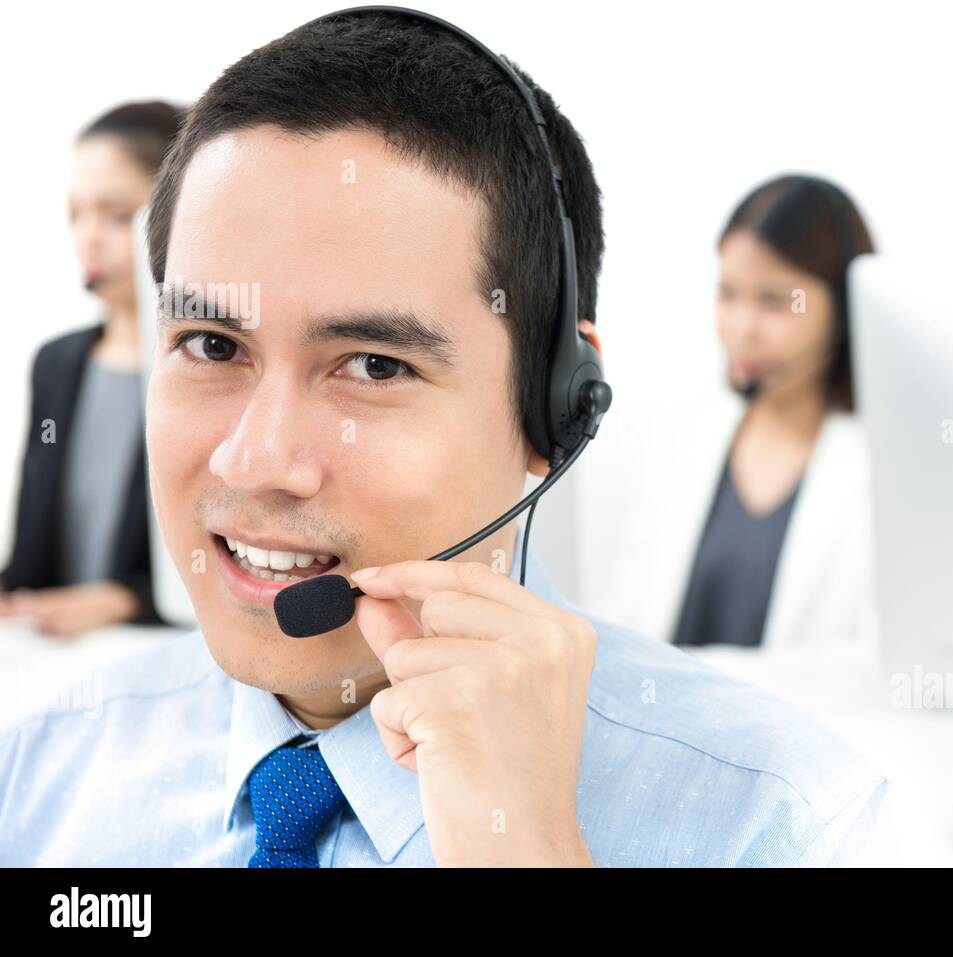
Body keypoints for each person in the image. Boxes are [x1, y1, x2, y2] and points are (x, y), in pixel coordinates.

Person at [0, 10, 885, 867]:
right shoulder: (39, 770)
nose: (255, 461)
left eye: (374, 365)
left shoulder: (784, 826)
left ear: (556, 410)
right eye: (212, 345)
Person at [667, 175, 879, 652]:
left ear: (845, 307)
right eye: (727, 294)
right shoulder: (685, 440)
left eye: (774, 301)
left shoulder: (875, 471)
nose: (741, 328)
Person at [0, 101, 184, 634]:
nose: (89, 237)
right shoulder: (57, 363)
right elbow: (32, 551)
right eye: (75, 214)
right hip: (55, 652)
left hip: (155, 649)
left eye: (119, 215)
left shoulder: (211, 368)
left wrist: (128, 600)